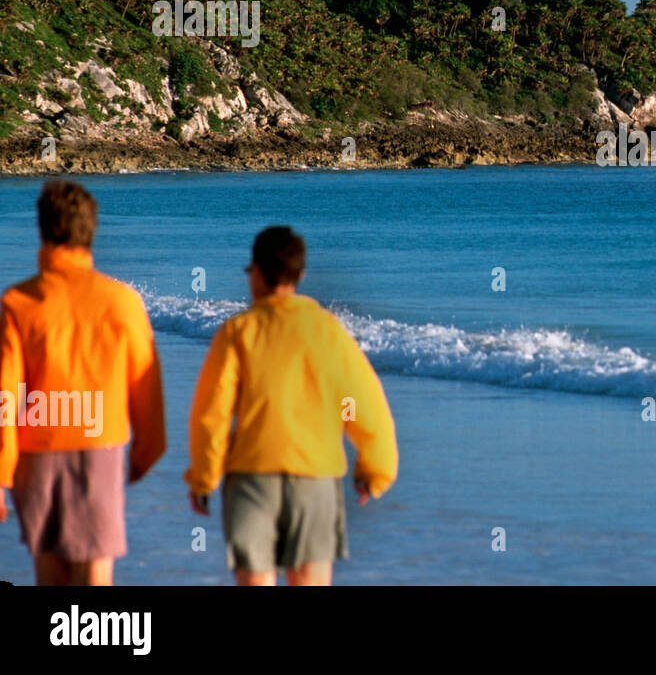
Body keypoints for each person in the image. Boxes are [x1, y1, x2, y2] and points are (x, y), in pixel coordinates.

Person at [186, 226, 398, 586]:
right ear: (300, 275)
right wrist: (375, 470)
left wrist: (204, 476)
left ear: (256, 272)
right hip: (316, 477)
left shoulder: (238, 332)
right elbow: (360, 402)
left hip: (253, 477)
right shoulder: (328, 330)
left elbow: (213, 413)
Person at [0, 180, 166, 585]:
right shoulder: (123, 301)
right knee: (95, 575)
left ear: (41, 230)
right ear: (91, 231)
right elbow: (146, 385)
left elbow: (6, 395)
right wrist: (147, 450)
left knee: (49, 575)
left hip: (37, 454)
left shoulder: (18, 303)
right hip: (98, 449)